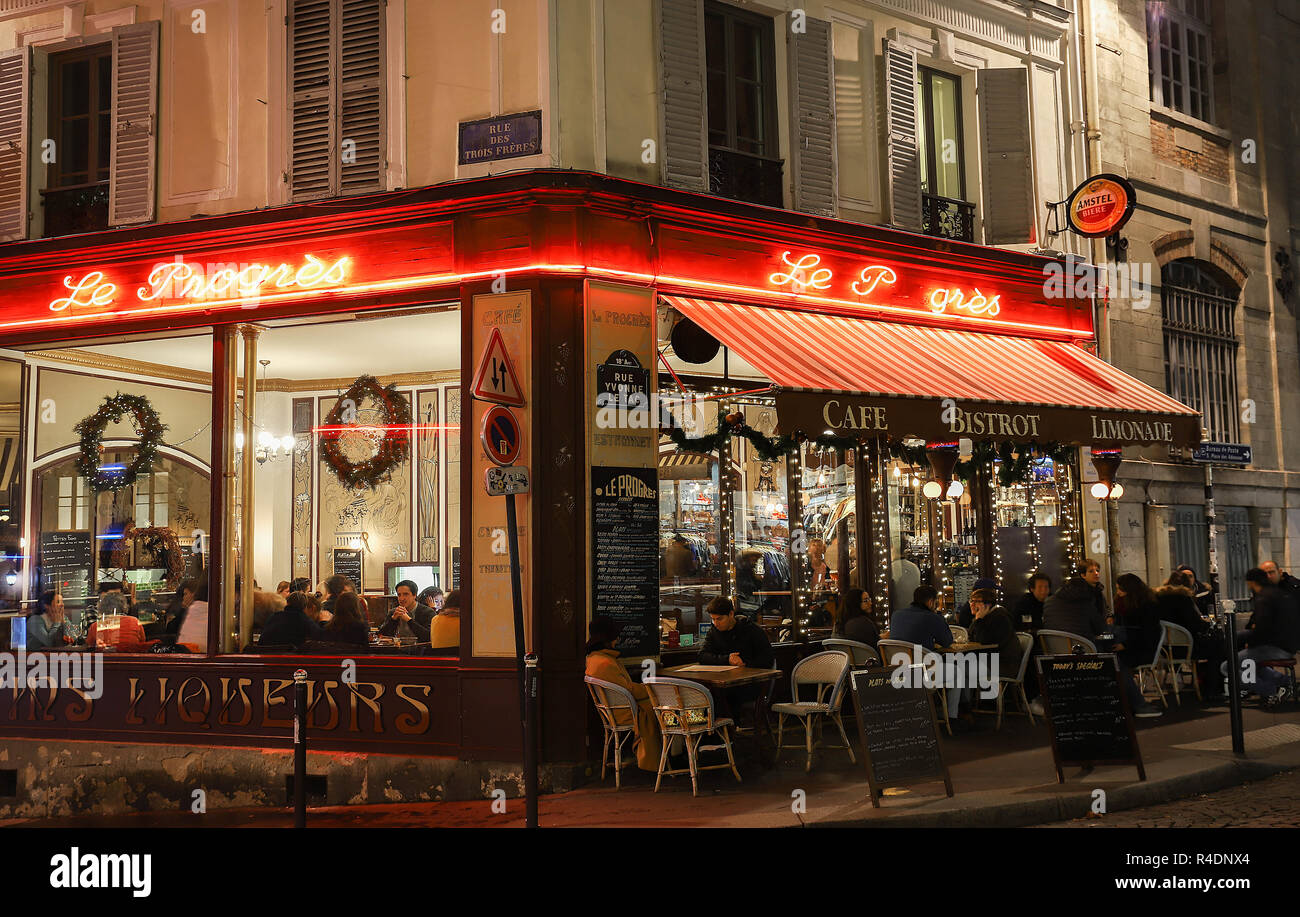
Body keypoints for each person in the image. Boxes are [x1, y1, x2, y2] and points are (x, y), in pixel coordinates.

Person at [1043, 575, 1162, 717]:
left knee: (1111, 637)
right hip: (1086, 650)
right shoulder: (1085, 603)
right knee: (1115, 643)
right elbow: (1101, 631)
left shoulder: (1048, 602)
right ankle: (1139, 705)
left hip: (1056, 656)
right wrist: (1113, 636)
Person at [584, 615, 662, 772]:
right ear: (609, 638)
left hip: (613, 712)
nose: (617, 639)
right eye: (615, 636)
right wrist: (652, 689)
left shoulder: (594, 658)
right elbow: (629, 690)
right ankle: (665, 758)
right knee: (665, 710)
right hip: (625, 712)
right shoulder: (606, 663)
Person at [1227, 568, 1300, 705]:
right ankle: (1286, 682)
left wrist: (1251, 642)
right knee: (1250, 664)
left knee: (1228, 666)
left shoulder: (1264, 597)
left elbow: (1262, 628)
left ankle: (1271, 690)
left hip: (1275, 647)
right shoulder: (1280, 594)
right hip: (1289, 645)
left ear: (1250, 582)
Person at [1157, 571, 1225, 699]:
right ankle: (1212, 689)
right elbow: (1195, 624)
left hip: (1165, 649)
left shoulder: (1158, 598)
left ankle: (1200, 683)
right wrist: (1206, 623)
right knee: (1219, 646)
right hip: (1186, 648)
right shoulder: (1183, 598)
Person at [698, 596, 774, 668]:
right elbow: (702, 656)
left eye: (719, 619)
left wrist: (744, 663)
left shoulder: (751, 629)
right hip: (724, 677)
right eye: (713, 619)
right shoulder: (713, 631)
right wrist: (727, 659)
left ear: (731, 614)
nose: (716, 623)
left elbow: (768, 659)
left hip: (750, 677)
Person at [968, 587, 1021, 676]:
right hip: (989, 660)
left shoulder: (1000, 617)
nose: (972, 604)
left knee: (962, 669)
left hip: (1003, 665)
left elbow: (983, 641)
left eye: (976, 601)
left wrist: (979, 619)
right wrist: (978, 619)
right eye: (971, 601)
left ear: (988, 605)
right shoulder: (986, 616)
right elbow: (971, 636)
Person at [1114, 573, 1163, 669]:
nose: (1118, 592)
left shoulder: (1147, 606)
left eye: (1120, 589)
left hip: (1142, 649)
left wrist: (1125, 645)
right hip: (1130, 644)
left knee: (1115, 661)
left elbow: (1148, 632)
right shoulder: (1124, 603)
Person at [889, 585, 953, 651]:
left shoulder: (896, 615)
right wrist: (939, 615)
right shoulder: (932, 617)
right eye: (936, 602)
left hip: (895, 659)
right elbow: (947, 642)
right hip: (922, 660)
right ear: (931, 602)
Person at [258, 590, 325, 649]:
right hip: (289, 659)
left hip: (267, 655)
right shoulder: (304, 620)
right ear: (304, 605)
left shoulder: (274, 616)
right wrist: (323, 621)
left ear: (287, 602)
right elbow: (320, 636)